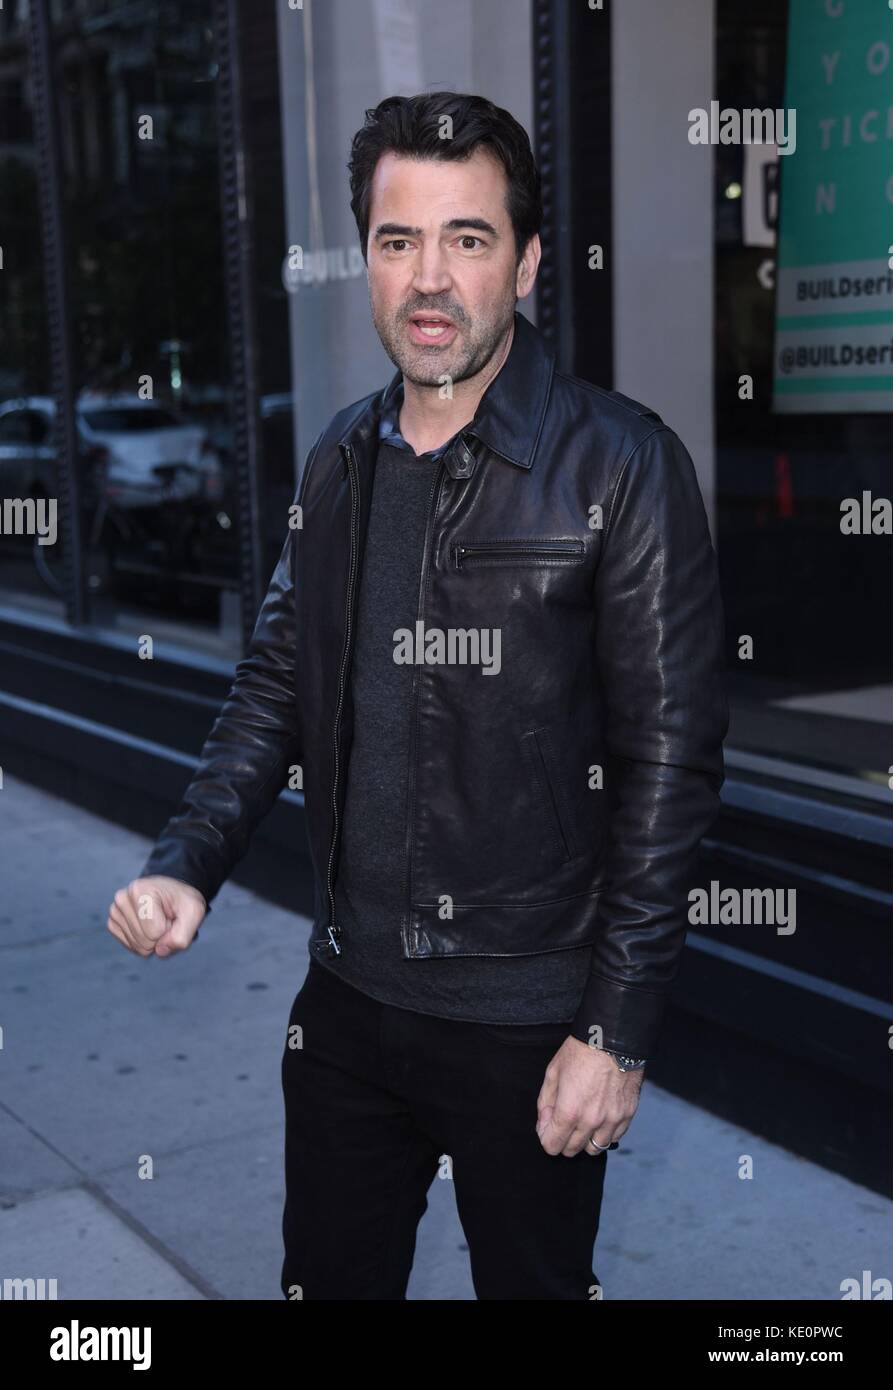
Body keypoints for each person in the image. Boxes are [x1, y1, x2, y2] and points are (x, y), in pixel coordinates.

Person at [107, 91, 728, 1301]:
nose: (429, 278)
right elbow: (276, 681)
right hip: (343, 1012)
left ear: (528, 260)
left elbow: (668, 770)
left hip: (530, 1025)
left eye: (468, 238)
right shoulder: (340, 460)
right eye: (398, 241)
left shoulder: (621, 465)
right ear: (366, 260)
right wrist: (187, 858)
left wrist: (613, 1030)